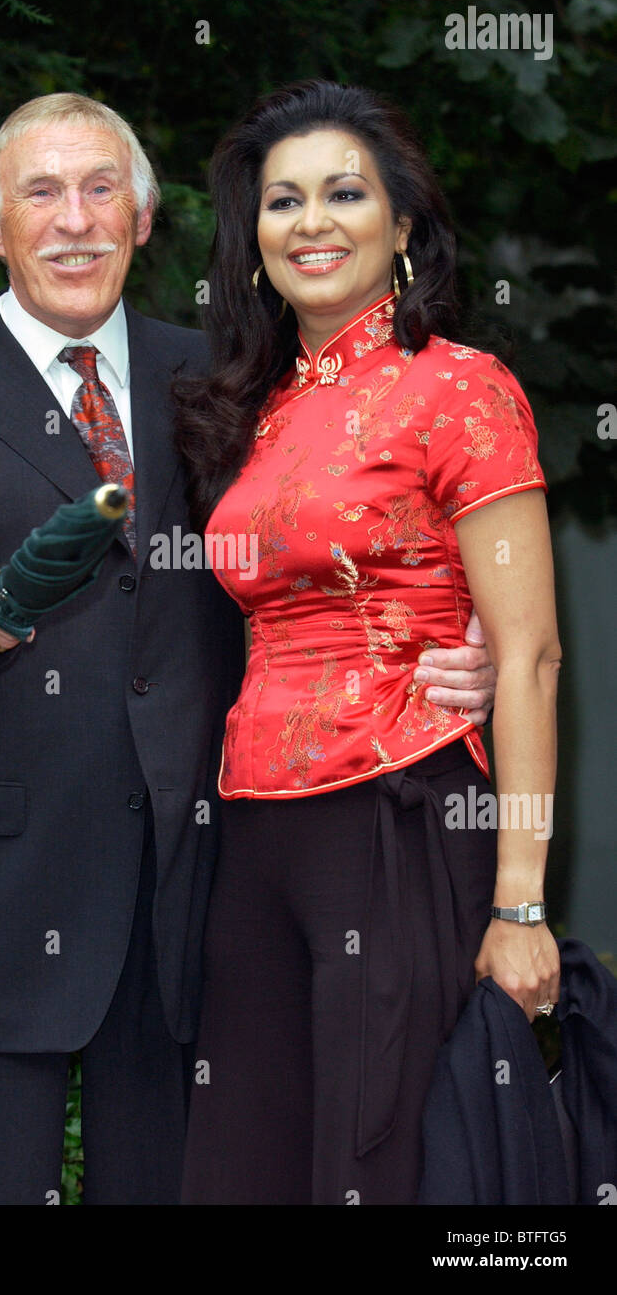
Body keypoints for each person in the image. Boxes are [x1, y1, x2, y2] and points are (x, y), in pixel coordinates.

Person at [0, 92, 496, 1206]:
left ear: (143, 221)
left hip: (196, 913)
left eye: (102, 191)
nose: (74, 220)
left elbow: (337, 544)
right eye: (40, 193)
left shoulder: (236, 379)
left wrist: (448, 641)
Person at [176, 80, 561, 1205]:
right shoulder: (249, 408)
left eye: (344, 193)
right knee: (243, 1162)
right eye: (282, 200)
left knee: (378, 1157)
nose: (311, 222)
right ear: (251, 242)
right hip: (249, 836)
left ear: (401, 228)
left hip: (396, 814)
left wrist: (520, 901)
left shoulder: (460, 389)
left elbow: (527, 655)